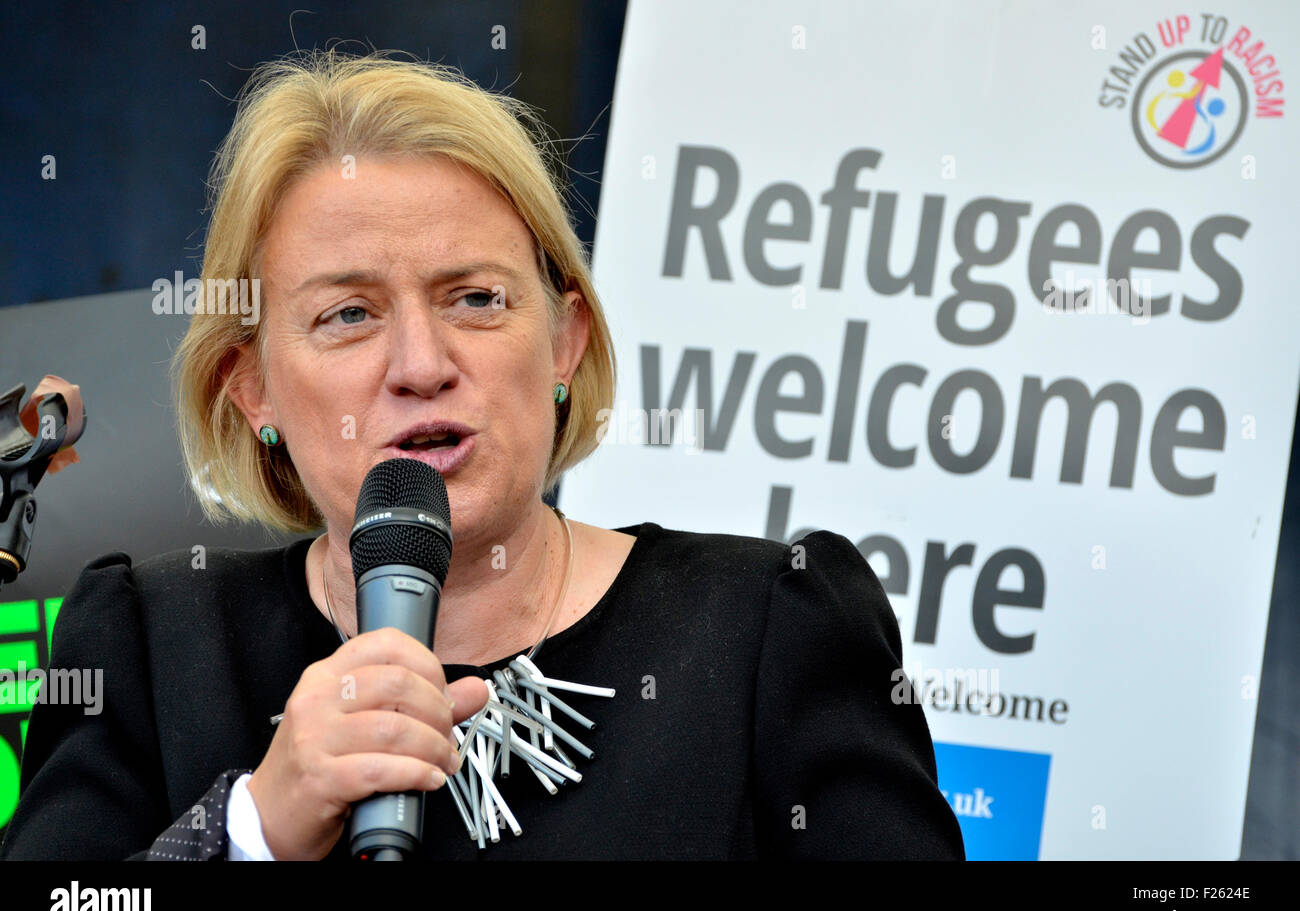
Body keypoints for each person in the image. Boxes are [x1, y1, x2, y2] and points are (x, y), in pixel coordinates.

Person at [0, 50, 964, 861]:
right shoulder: (152, 645)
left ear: (565, 343)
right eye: (349, 314)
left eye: (475, 298)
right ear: (250, 388)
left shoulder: (770, 625)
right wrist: (253, 829)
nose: (422, 365)